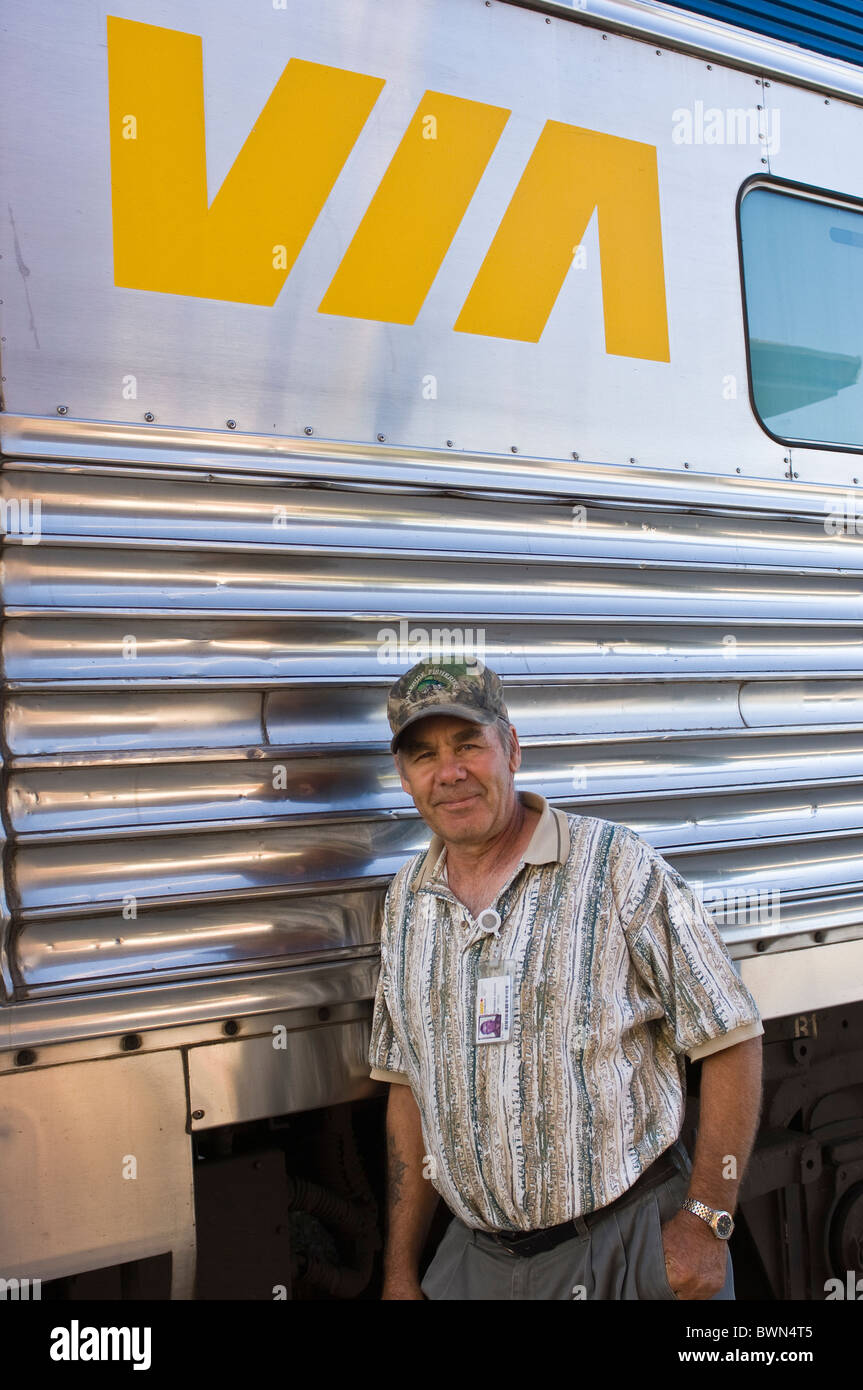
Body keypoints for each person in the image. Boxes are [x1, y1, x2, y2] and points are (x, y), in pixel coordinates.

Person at [369, 658, 764, 1300]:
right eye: (424, 755)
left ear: (512, 748)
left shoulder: (613, 866)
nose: (450, 772)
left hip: (627, 1248)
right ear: (404, 776)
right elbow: (408, 1088)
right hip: (479, 1264)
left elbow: (731, 1036)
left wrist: (707, 1222)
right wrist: (398, 1271)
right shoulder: (406, 903)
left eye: (469, 744)